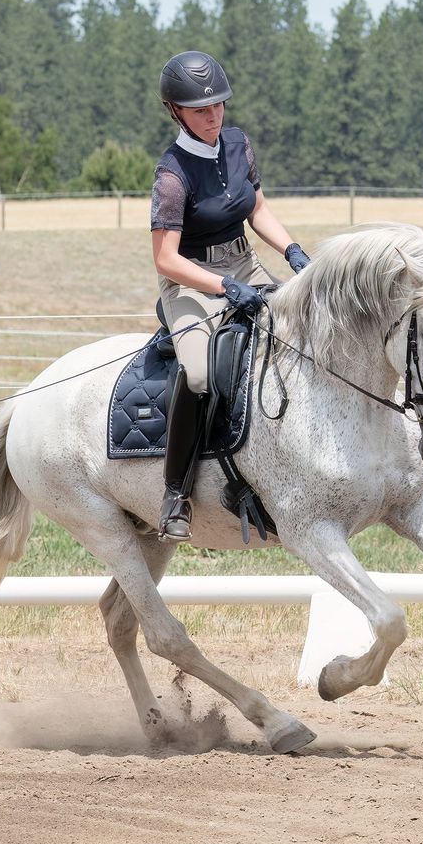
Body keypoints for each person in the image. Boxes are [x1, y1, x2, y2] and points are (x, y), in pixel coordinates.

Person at [150, 50, 312, 542]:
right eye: (200, 110)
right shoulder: (172, 174)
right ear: (176, 111)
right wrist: (224, 287)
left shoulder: (239, 144)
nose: (213, 116)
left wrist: (292, 251)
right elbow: (165, 259)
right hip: (191, 280)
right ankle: (176, 493)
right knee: (200, 374)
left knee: (304, 333)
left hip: (245, 262)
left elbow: (256, 208)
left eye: (218, 105)